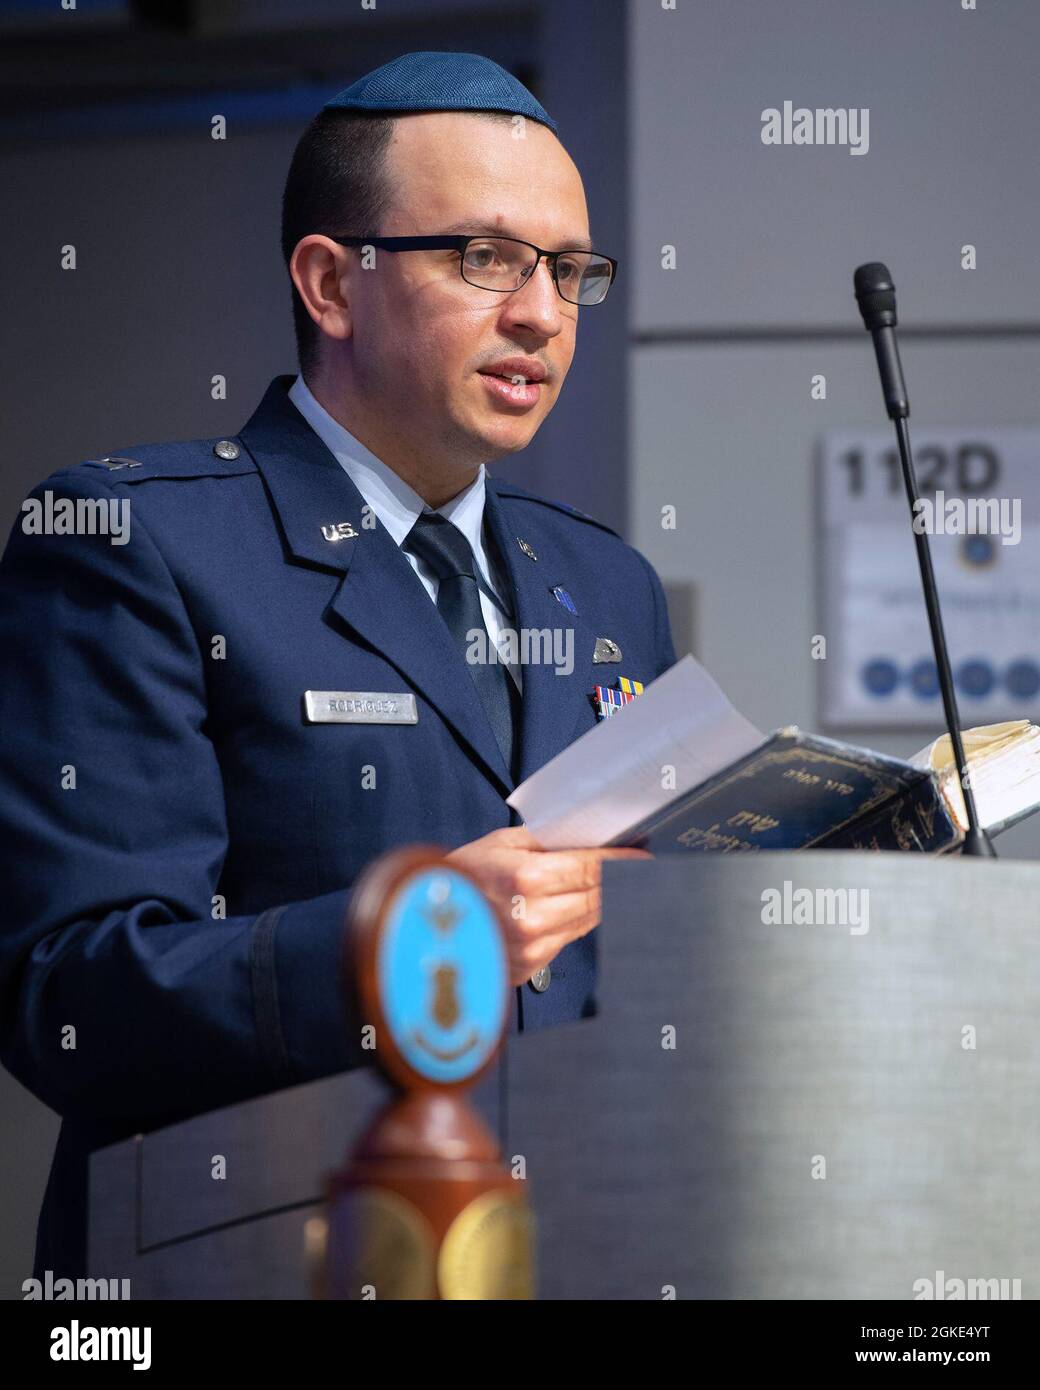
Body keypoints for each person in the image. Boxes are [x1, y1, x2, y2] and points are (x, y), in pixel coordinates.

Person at [0, 51, 676, 1280]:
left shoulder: (608, 583)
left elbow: (622, 962)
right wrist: (399, 948)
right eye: (484, 258)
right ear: (330, 282)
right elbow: (68, 996)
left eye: (570, 271)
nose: (540, 312)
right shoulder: (136, 540)